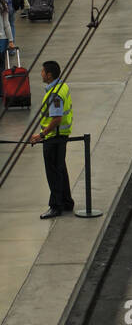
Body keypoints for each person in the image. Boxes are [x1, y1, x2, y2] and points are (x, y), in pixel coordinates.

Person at [28, 60, 74, 218]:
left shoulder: (54, 94)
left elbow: (56, 119)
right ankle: (67, 202)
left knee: (53, 173)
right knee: (60, 169)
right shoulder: (62, 86)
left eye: (42, 71)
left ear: (49, 75)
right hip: (60, 136)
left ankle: (55, 206)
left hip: (54, 138)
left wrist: (40, 135)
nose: (40, 74)